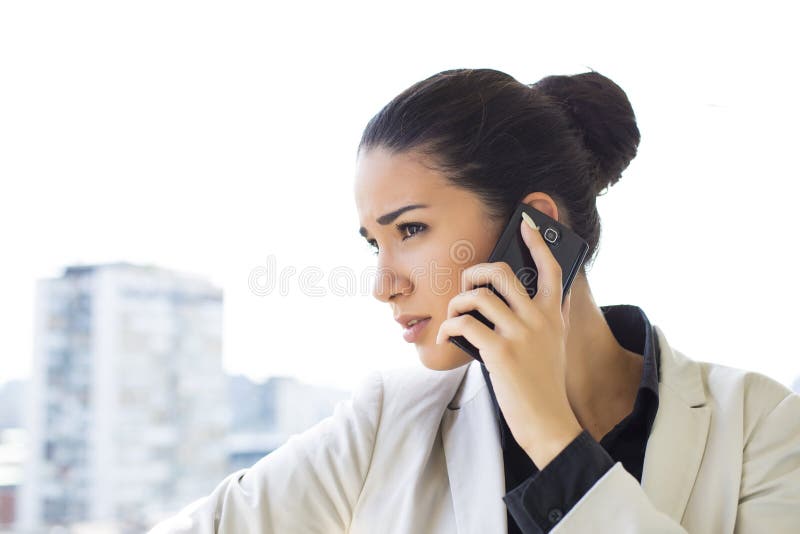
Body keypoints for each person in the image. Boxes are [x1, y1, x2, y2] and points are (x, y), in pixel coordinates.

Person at [149, 69, 800, 533]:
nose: (384, 284)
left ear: (534, 227)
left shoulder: (760, 425)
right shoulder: (386, 423)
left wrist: (551, 433)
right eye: (374, 244)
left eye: (410, 230)